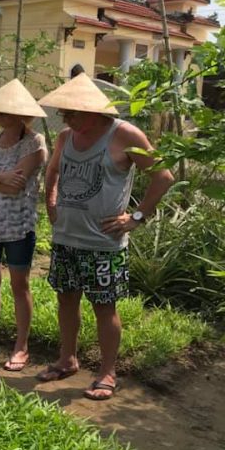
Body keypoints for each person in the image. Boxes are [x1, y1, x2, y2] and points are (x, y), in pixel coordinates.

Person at [37, 73, 174, 400]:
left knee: (104, 307)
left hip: (103, 244)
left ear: (96, 109)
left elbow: (163, 177)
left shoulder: (124, 134)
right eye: (64, 113)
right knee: (66, 299)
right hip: (66, 238)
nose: (66, 119)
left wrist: (137, 216)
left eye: (72, 113)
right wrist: (51, 200)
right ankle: (67, 359)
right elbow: (53, 171)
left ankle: (107, 372)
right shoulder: (64, 138)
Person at [0, 79, 48, 371]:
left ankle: (21, 347)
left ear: (21, 114)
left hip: (18, 225)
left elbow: (18, 187)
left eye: (4, 111)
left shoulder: (34, 144)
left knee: (19, 285)